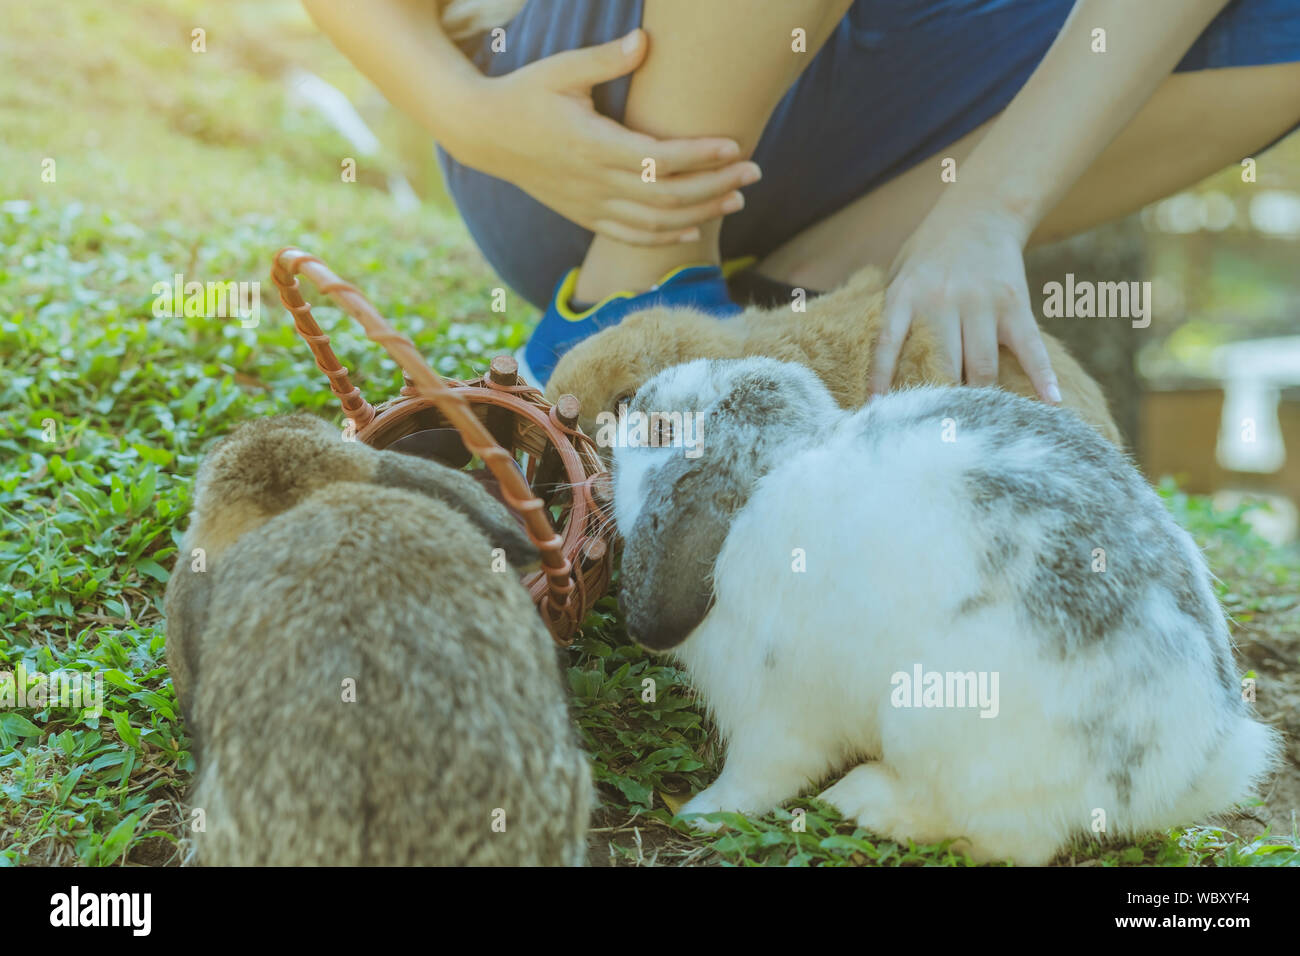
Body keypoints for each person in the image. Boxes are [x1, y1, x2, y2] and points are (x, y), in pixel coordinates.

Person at [303, 0, 1300, 390]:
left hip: (871, 112)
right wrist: (472, 116)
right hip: (565, 122)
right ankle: (630, 304)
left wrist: (984, 211)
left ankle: (800, 327)